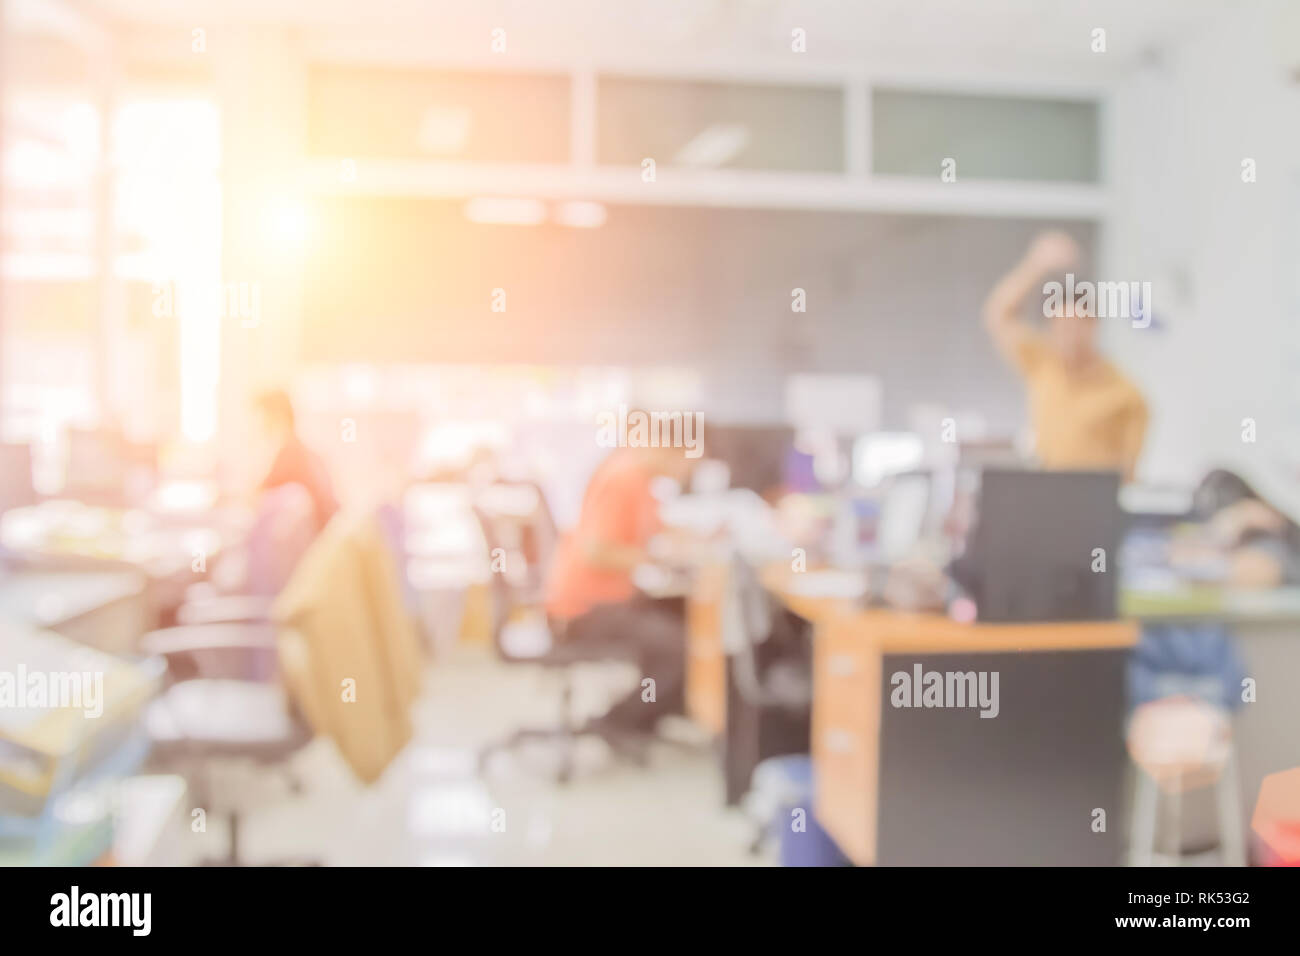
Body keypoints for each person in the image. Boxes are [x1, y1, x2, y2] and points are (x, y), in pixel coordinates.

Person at [545, 441, 696, 733]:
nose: (688, 471)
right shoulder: (623, 478)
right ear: (668, 451)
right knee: (681, 648)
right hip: (583, 609)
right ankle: (616, 724)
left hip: (609, 601)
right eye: (688, 462)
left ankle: (646, 720)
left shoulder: (641, 480)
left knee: (678, 622)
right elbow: (596, 551)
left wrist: (697, 539)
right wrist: (657, 559)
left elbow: (657, 527)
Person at [983, 230, 1148, 481]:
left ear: (1093, 325)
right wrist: (1036, 264)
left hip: (1092, 504)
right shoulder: (1042, 362)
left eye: (1074, 326)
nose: (1067, 336)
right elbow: (998, 314)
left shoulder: (1126, 395)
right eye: (1059, 327)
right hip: (1044, 490)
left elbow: (1128, 475)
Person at [253, 389, 339, 531]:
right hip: (323, 535)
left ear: (276, 415)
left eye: (262, 416)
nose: (259, 424)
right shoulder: (299, 450)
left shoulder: (290, 454)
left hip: (316, 541)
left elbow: (256, 496)